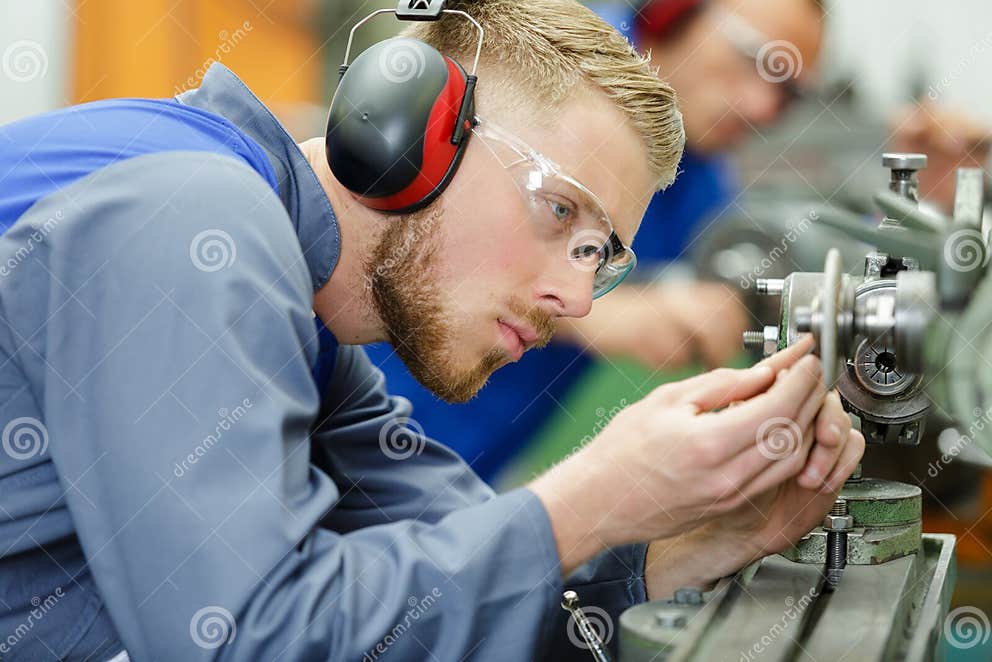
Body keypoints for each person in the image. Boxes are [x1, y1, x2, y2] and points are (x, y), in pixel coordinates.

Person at [0, 0, 862, 659]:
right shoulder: (196, 220)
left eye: (600, 256)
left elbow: (446, 572)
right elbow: (247, 637)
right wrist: (593, 493)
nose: (579, 298)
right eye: (560, 211)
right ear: (412, 129)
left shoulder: (317, 348)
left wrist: (697, 540)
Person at [364, 0, 825, 482]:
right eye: (757, 59)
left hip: (455, 478)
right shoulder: (548, 53)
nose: (762, 108)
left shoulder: (703, 178)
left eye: (789, 93)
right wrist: (597, 316)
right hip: (341, 423)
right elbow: (424, 210)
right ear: (674, 11)